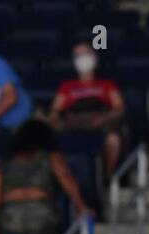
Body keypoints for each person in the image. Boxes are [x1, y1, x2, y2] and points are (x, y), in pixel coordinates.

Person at [48, 40, 126, 177]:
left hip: (100, 120)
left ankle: (107, 177)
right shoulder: (67, 86)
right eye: (78, 55)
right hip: (73, 121)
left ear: (94, 57)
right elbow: (56, 109)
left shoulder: (107, 84)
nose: (82, 58)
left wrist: (104, 118)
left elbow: (118, 107)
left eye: (85, 53)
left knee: (113, 139)